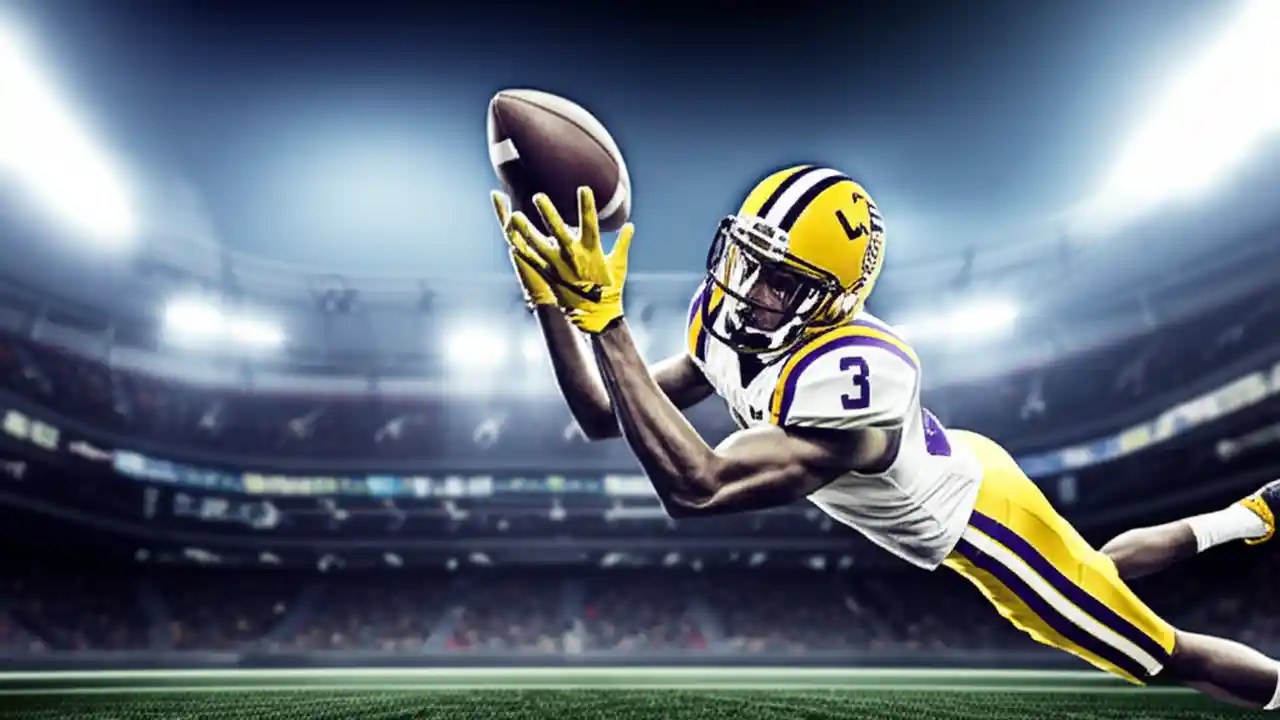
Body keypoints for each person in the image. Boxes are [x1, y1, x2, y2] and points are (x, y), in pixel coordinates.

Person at [490, 164, 1280, 710]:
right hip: (969, 465)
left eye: (783, 282)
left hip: (985, 525)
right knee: (1095, 576)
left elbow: (696, 487)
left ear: (835, 301)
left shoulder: (857, 376)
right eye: (749, 260)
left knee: (1160, 653)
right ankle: (1249, 518)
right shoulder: (728, 318)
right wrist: (555, 308)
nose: (752, 292)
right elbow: (604, 412)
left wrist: (609, 321)